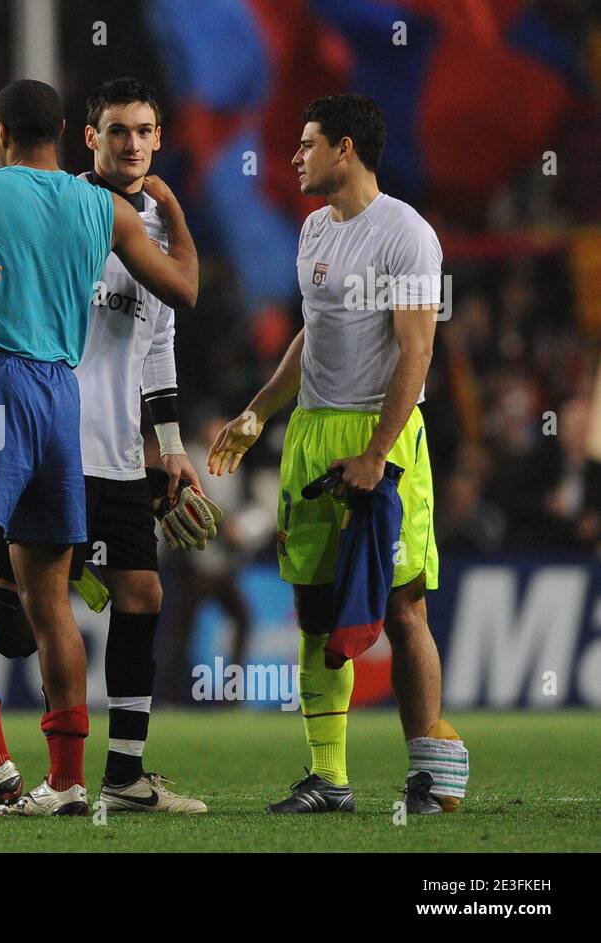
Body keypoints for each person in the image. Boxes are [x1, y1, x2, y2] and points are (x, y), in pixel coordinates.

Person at [0, 79, 196, 816]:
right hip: (63, 398)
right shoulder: (106, 209)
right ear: (66, 131)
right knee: (51, 601)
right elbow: (182, 289)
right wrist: (174, 218)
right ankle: (70, 780)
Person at [208, 94, 469, 815]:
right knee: (315, 608)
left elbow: (418, 349)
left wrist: (379, 453)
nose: (295, 155)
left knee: (404, 606)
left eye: (307, 142)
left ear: (345, 148)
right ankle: (330, 777)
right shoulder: (314, 229)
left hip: (380, 436)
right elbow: (311, 335)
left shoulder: (406, 234)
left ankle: (429, 772)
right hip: (313, 434)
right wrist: (261, 408)